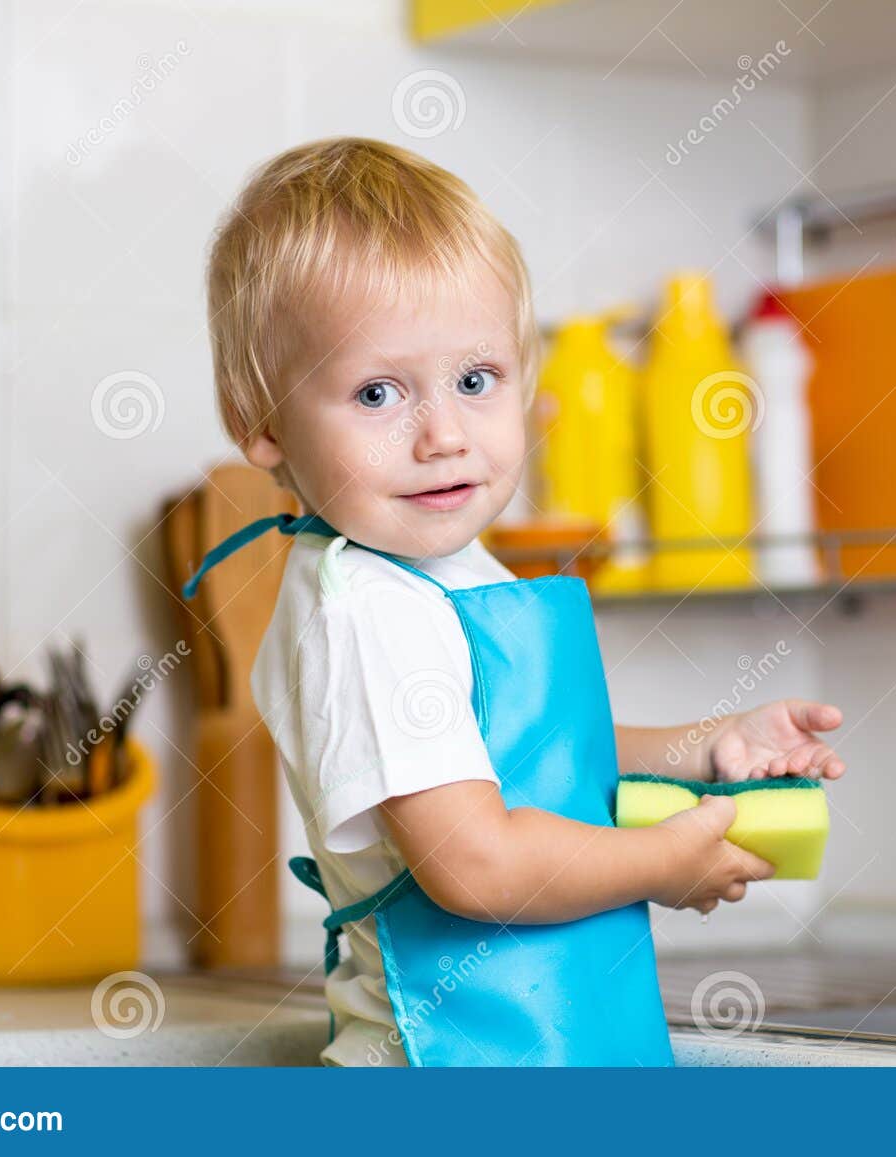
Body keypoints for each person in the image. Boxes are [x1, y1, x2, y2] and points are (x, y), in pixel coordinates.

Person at [183, 137, 845, 1067]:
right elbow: (476, 863)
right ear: (259, 417)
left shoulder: (445, 571)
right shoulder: (369, 610)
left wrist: (707, 748)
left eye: (474, 379)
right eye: (378, 392)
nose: (443, 435)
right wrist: (664, 864)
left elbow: (531, 758)